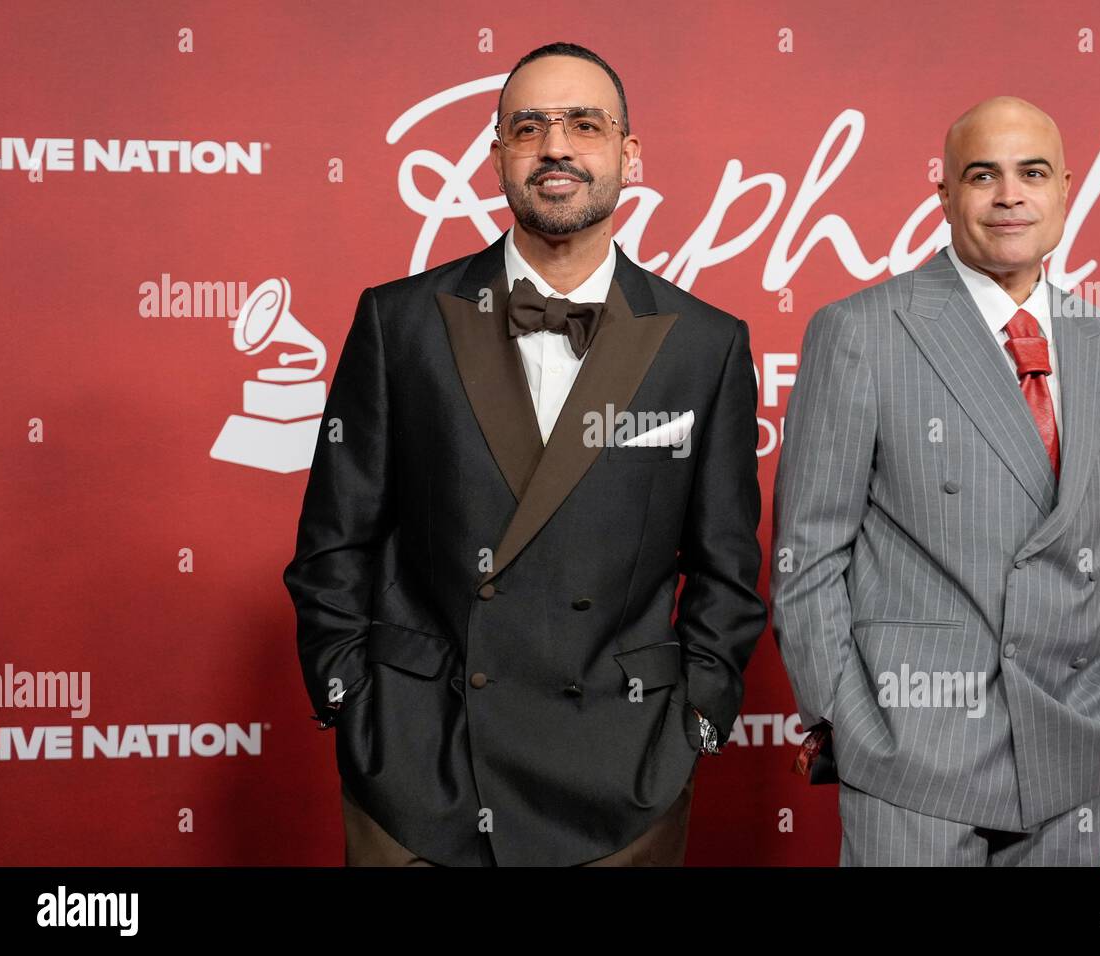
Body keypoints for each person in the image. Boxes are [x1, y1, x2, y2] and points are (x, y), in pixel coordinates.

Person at [283, 42, 766, 866]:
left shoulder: (706, 345)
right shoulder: (399, 323)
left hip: (623, 776)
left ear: (629, 153)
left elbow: (726, 567)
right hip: (420, 770)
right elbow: (335, 541)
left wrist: (697, 714)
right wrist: (353, 698)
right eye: (529, 126)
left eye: (586, 123)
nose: (557, 147)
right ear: (496, 152)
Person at [772, 96, 1100, 865]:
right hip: (913, 751)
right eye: (983, 175)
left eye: (1032, 173)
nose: (1010, 194)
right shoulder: (861, 330)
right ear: (943, 195)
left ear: (1066, 189)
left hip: (1073, 744)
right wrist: (846, 714)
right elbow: (807, 553)